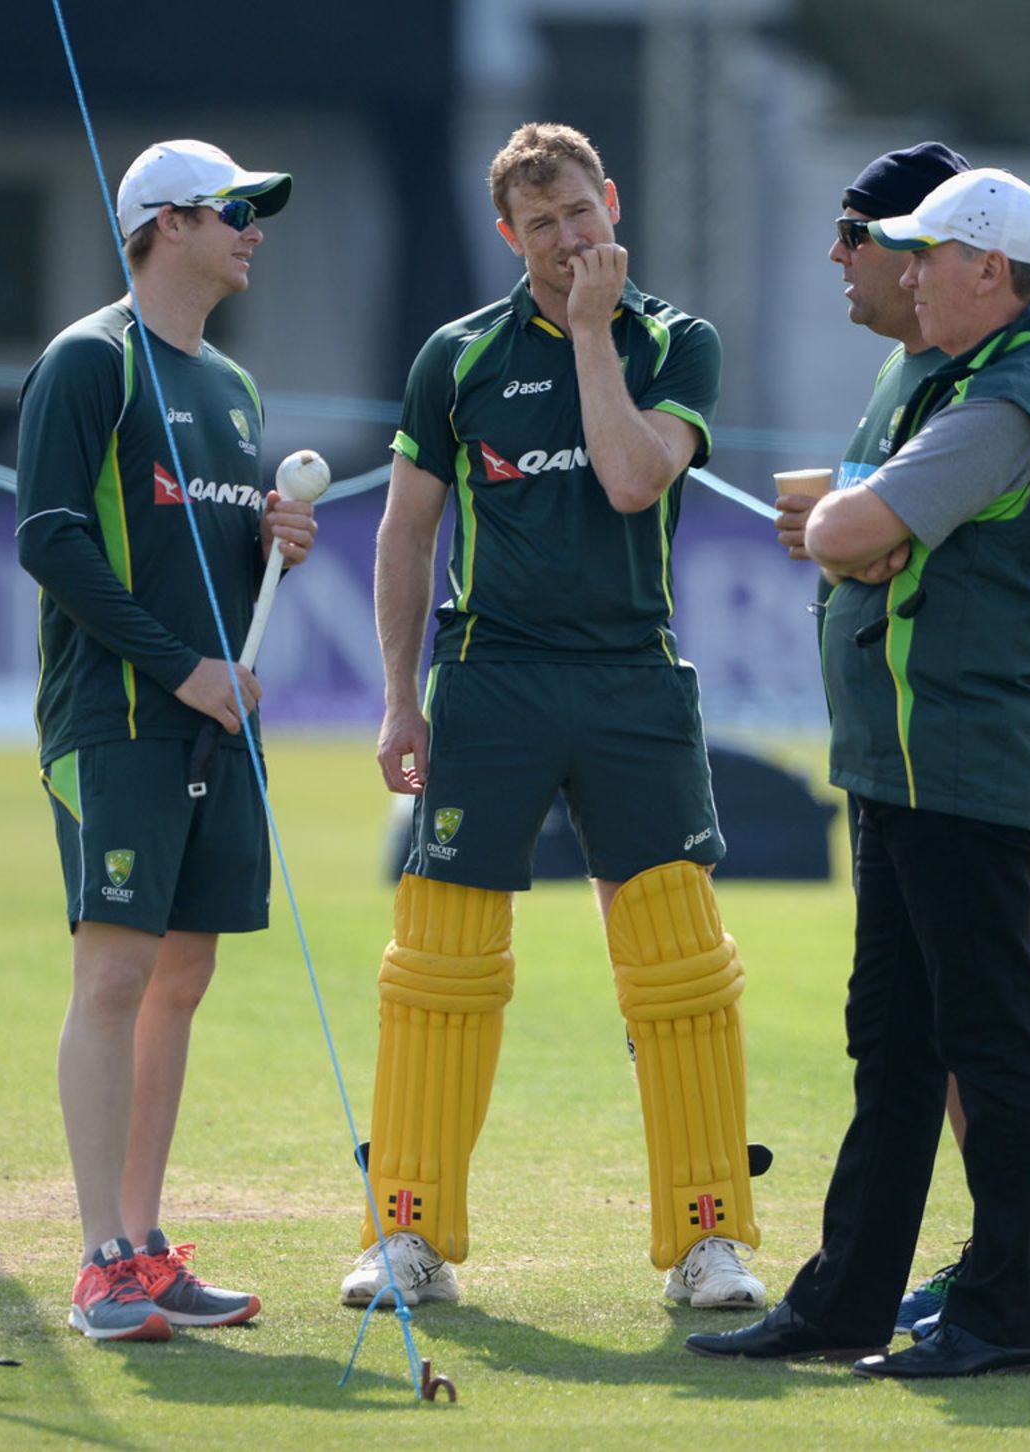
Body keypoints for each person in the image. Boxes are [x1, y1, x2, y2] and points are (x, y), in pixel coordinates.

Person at [339, 121, 765, 1313]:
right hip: (492, 678)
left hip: (633, 676)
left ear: (611, 200)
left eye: (581, 212)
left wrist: (589, 337)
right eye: (542, 225)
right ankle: (406, 1233)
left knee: (679, 970)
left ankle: (707, 1240)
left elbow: (633, 478)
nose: (570, 239)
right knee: (439, 967)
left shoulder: (677, 340)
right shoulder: (458, 357)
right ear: (507, 236)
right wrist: (394, 696)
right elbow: (406, 531)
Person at [687, 166, 1030, 1378]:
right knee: (899, 1038)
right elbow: (863, 529)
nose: (904, 272)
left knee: (983, 1040)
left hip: (963, 763)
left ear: (989, 270)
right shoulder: (957, 376)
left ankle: (1004, 1311)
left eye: (926, 255)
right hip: (910, 764)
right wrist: (862, 523)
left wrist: (853, 523)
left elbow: (848, 532)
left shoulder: (1007, 400)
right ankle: (851, 1299)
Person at [15, 139, 318, 1341]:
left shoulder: (233, 389)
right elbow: (50, 536)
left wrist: (275, 538)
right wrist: (179, 668)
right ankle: (98, 1263)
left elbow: (212, 550)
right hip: (123, 719)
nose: (255, 228)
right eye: (238, 210)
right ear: (168, 221)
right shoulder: (90, 360)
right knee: (116, 975)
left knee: (181, 980)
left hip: (212, 721)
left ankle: (143, 1244)